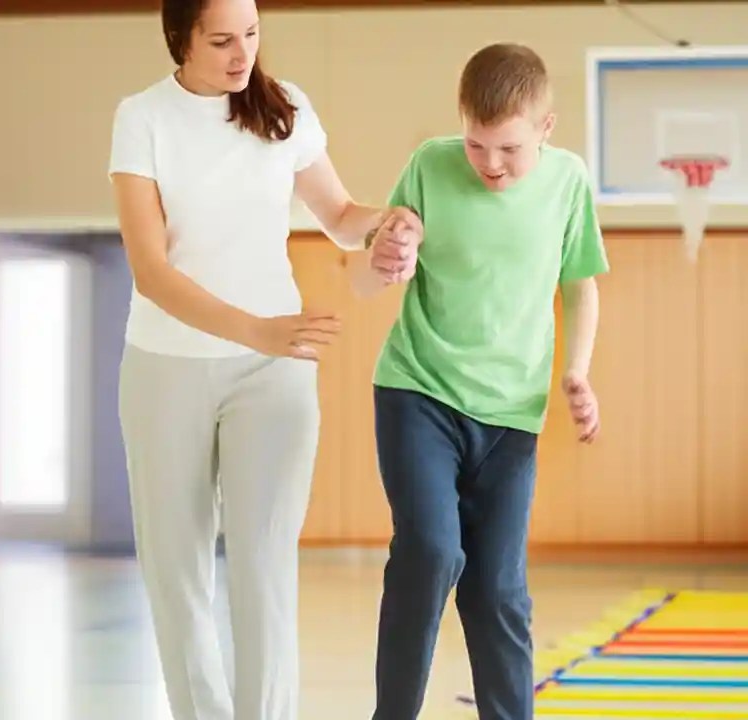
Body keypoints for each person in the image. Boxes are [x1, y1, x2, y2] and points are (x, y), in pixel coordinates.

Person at [106, 0, 416, 717]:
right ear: (179, 39)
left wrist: (387, 220)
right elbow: (151, 272)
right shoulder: (142, 117)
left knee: (263, 566)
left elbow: (339, 216)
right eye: (220, 40)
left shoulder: (287, 109)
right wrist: (255, 331)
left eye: (250, 34)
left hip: (274, 369)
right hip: (165, 365)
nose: (241, 52)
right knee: (176, 572)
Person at [352, 43, 609, 720]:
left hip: (512, 415)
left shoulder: (568, 183)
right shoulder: (429, 167)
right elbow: (367, 277)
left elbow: (580, 291)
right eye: (476, 144)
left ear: (546, 129)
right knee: (432, 553)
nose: (490, 163)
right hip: (419, 392)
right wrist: (387, 255)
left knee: (497, 588)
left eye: (509, 148)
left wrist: (577, 373)